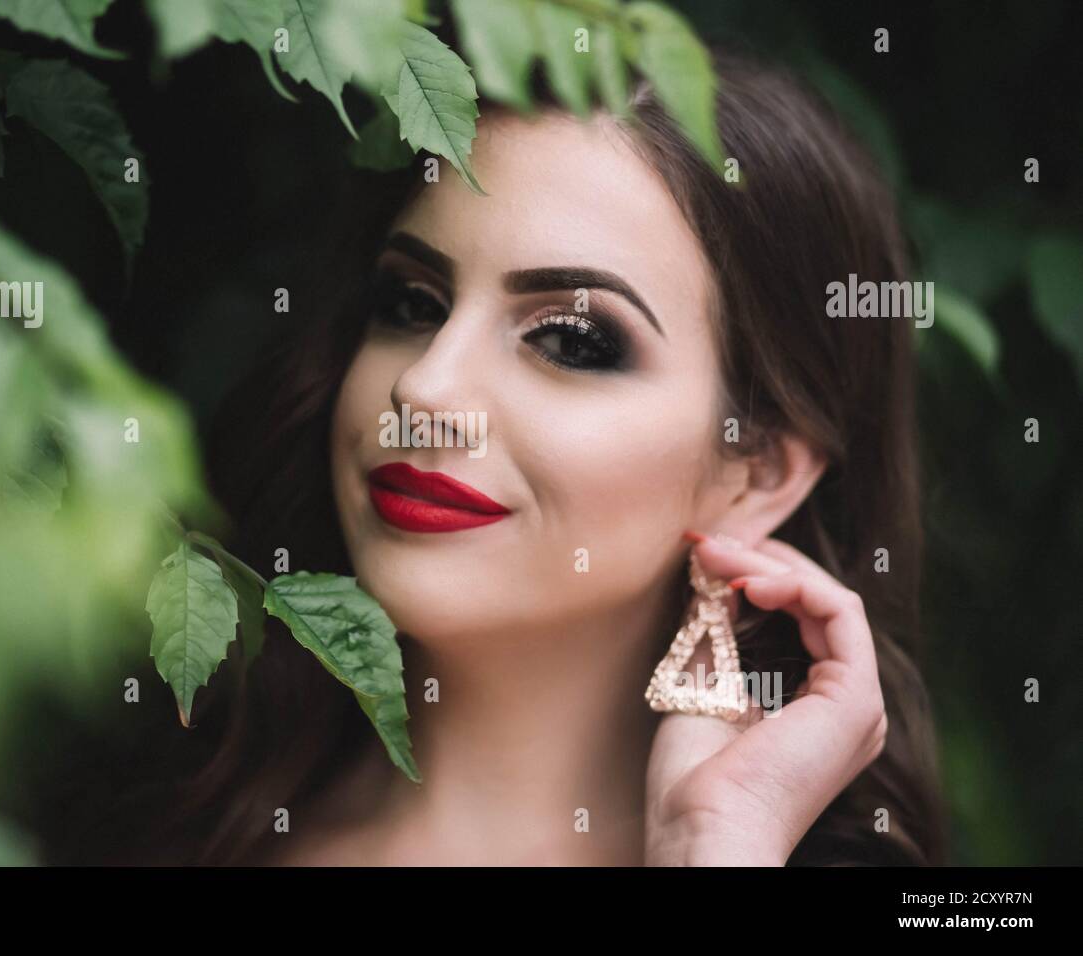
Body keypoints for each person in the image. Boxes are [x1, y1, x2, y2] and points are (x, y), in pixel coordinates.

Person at [157, 51, 948, 866]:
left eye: (571, 340)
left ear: (757, 471)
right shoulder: (121, 804)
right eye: (413, 304)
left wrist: (713, 849)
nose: (423, 391)